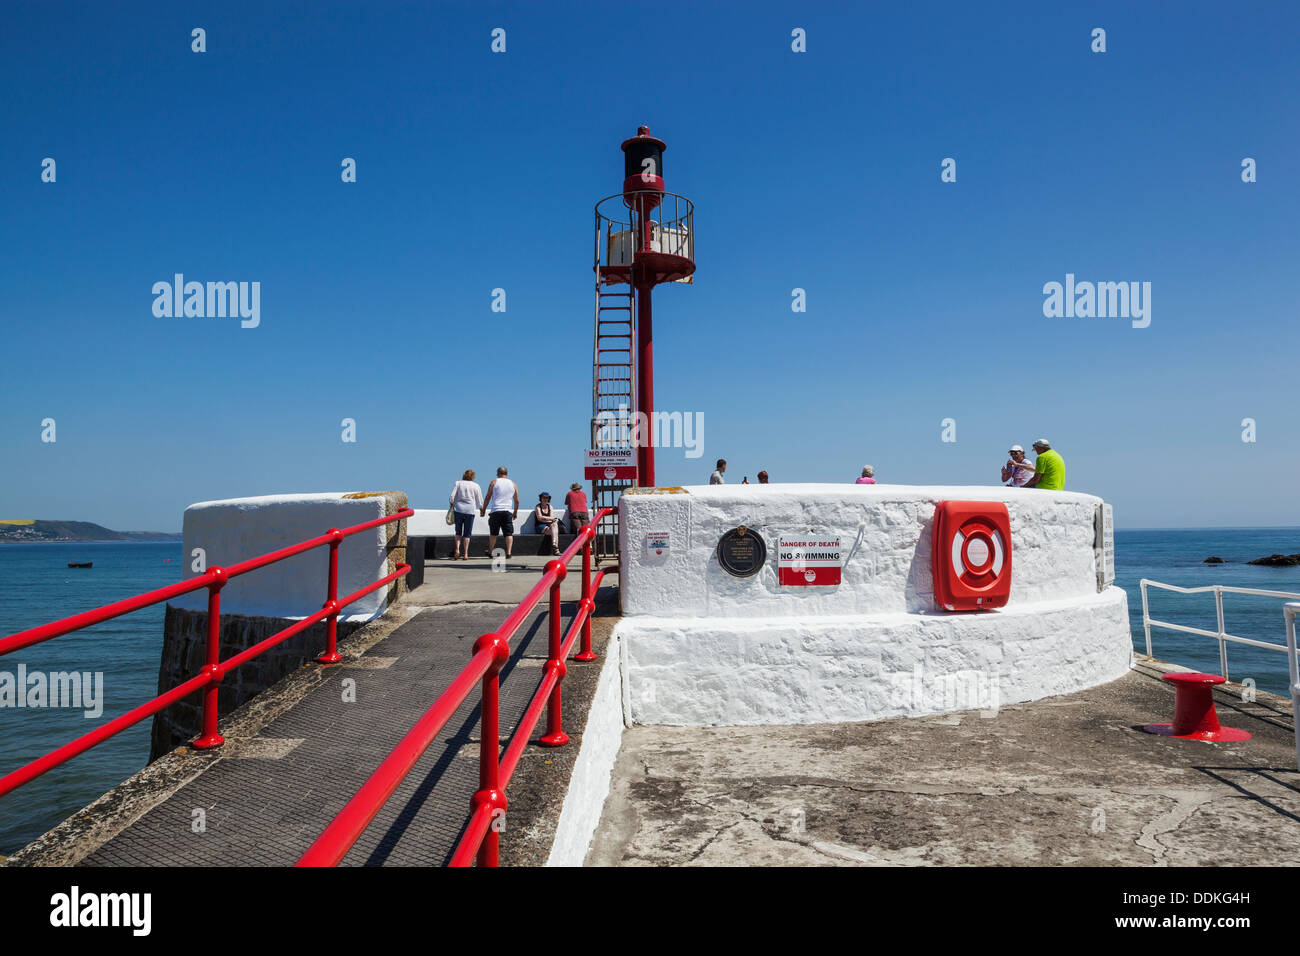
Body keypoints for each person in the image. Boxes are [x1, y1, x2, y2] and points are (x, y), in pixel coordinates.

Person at [481, 466, 519, 558]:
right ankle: (509, 553)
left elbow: (487, 497)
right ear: (506, 473)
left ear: (498, 473)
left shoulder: (494, 482)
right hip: (507, 511)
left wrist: (484, 509)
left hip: (496, 511)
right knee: (508, 533)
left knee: (493, 533)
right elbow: (516, 500)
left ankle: (490, 552)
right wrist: (515, 512)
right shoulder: (513, 484)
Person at [448, 469, 484, 560]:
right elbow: (479, 500)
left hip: (459, 510)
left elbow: (452, 497)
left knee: (458, 531)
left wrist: (452, 504)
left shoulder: (458, 483)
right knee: (467, 533)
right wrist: (481, 509)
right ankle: (466, 554)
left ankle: (457, 550)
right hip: (470, 511)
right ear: (473, 477)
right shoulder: (476, 486)